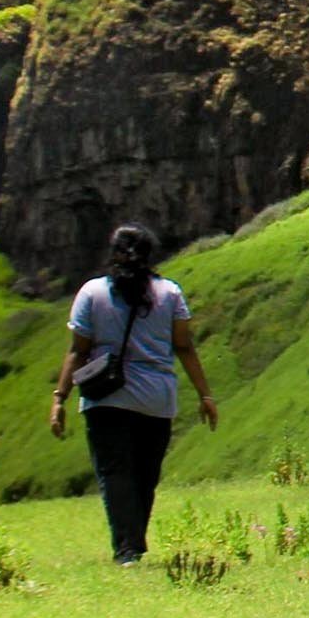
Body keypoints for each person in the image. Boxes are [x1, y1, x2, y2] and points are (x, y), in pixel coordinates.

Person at [46, 223, 217, 563]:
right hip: (156, 399)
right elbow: (184, 347)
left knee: (115, 472)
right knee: (144, 475)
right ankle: (131, 544)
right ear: (150, 254)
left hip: (106, 398)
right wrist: (205, 396)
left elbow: (78, 350)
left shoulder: (92, 293)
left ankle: (128, 548)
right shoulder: (170, 294)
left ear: (113, 253)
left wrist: (59, 398)